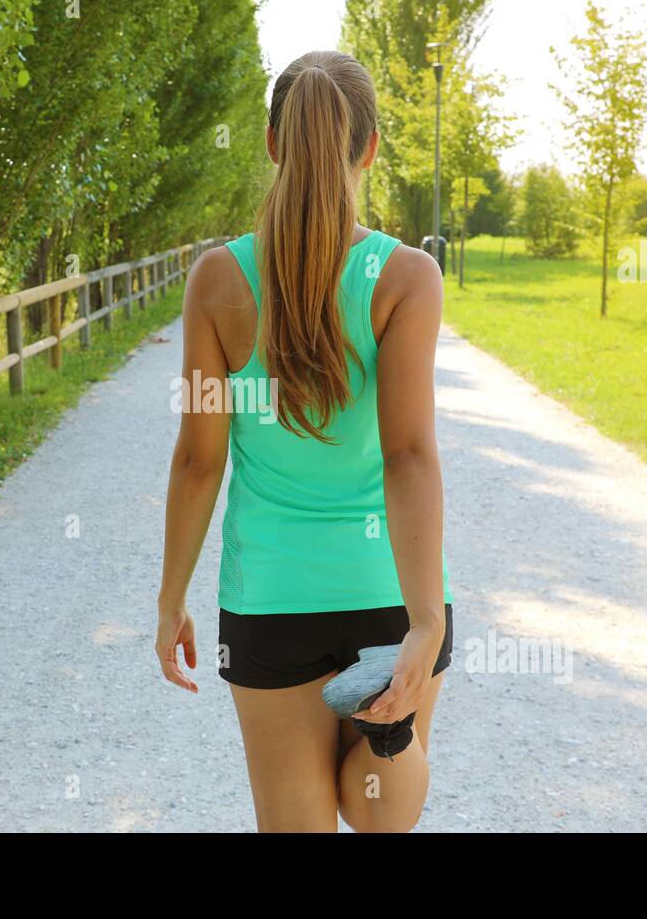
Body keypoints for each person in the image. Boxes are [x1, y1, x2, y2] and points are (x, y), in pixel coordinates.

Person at [155, 50, 453, 833]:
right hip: (389, 587)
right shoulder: (407, 278)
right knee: (379, 812)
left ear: (271, 144)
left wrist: (170, 600)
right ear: (371, 147)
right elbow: (410, 454)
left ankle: (387, 735)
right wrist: (426, 620)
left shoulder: (218, 281)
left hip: (272, 601)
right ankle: (387, 741)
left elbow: (198, 459)